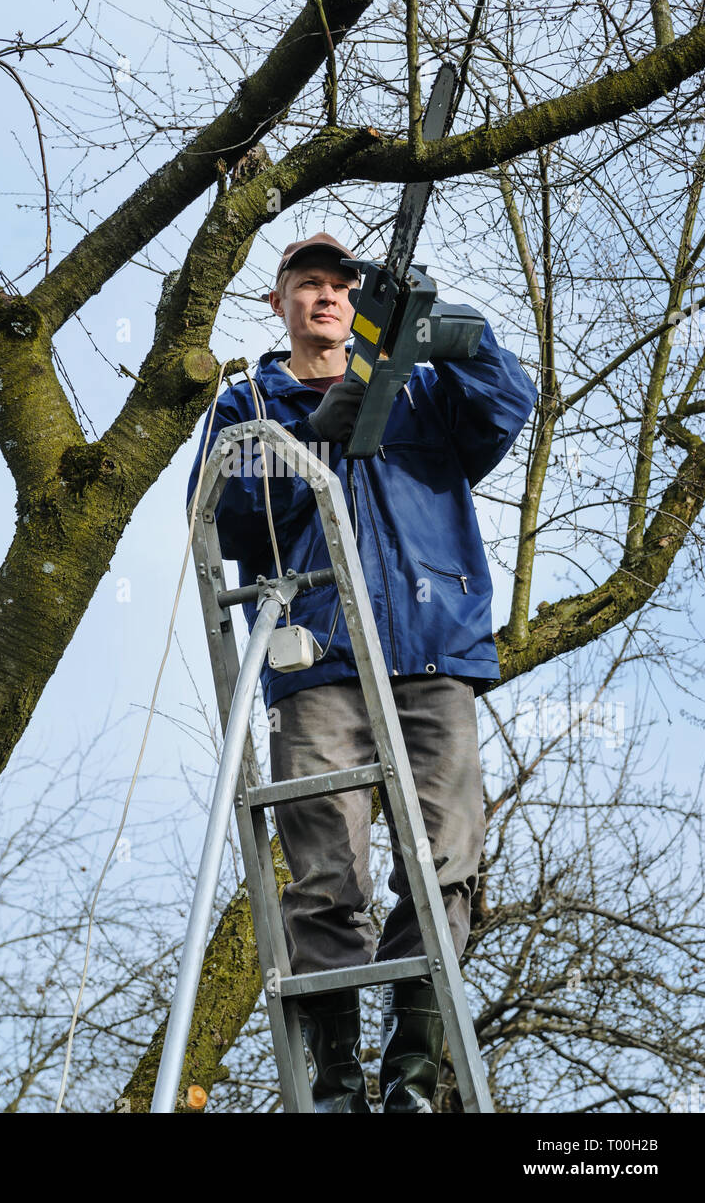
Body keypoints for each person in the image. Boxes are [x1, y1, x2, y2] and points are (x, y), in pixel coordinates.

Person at [186, 231, 538, 1113]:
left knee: (445, 858)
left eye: (341, 287)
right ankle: (335, 1082)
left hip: (429, 653)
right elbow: (223, 517)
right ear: (279, 304)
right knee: (323, 877)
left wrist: (449, 331)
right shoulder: (248, 405)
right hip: (317, 665)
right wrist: (307, 438)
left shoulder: (419, 393)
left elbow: (504, 408)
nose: (326, 298)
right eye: (306, 285)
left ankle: (413, 1075)